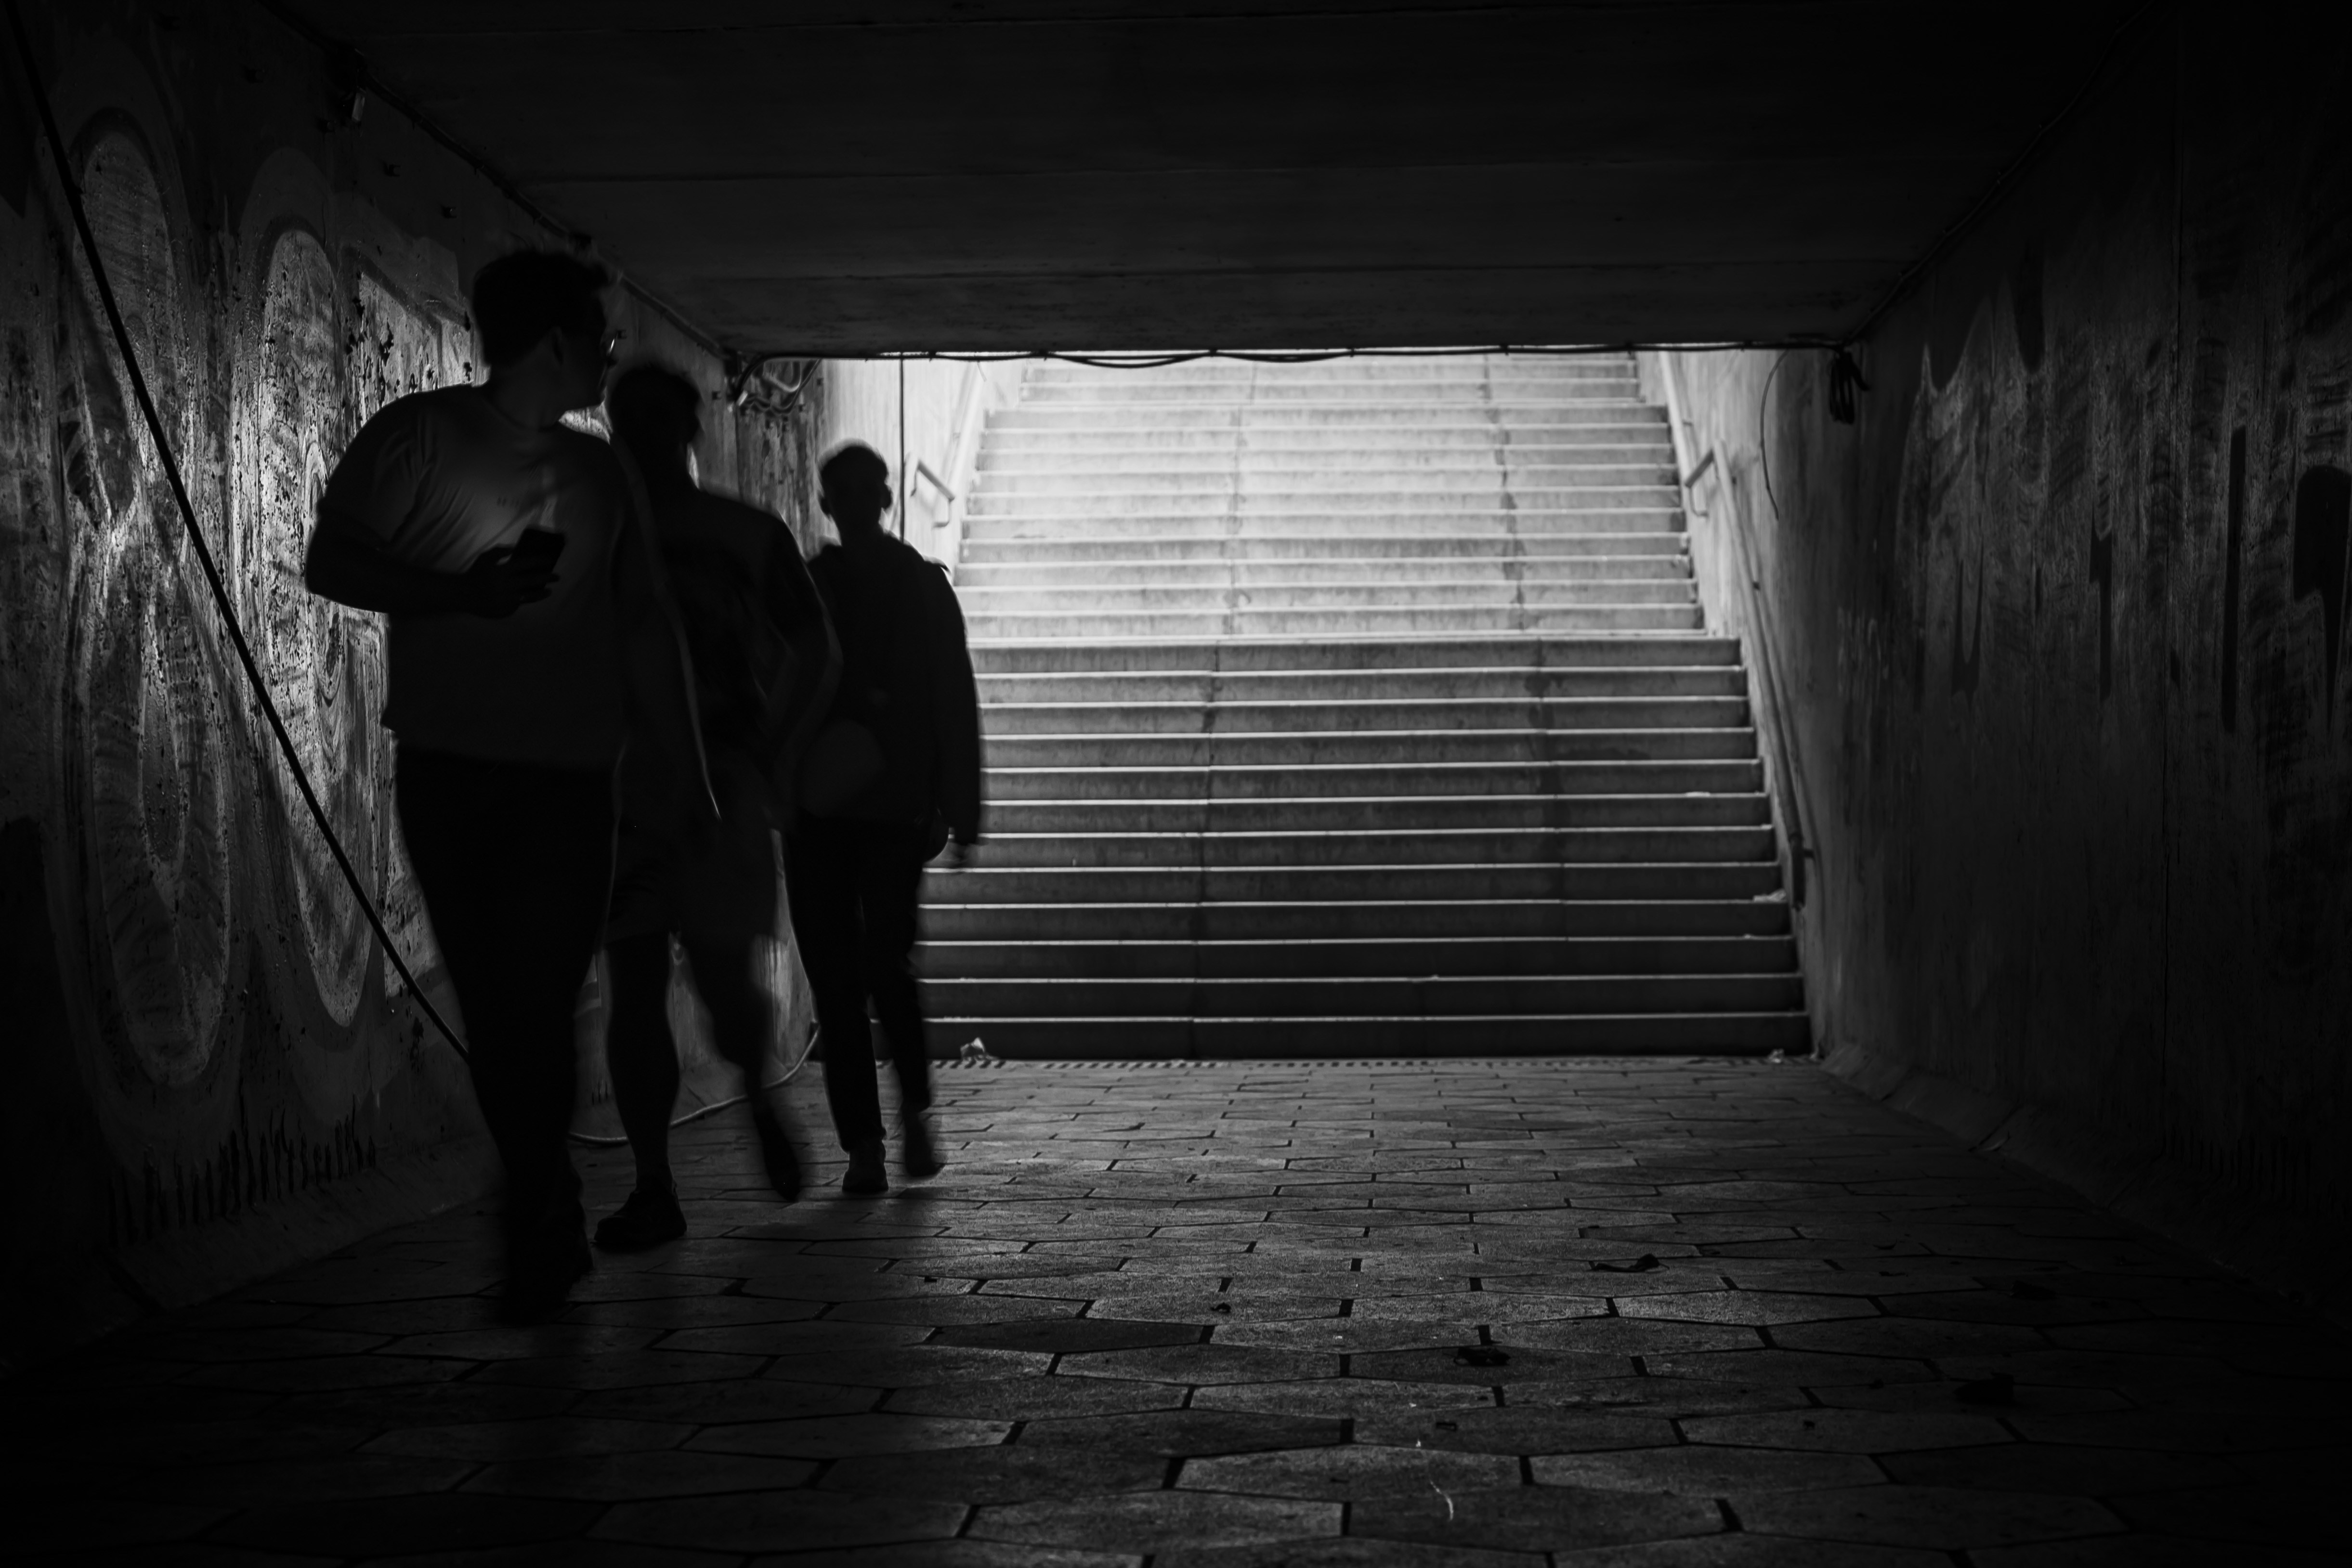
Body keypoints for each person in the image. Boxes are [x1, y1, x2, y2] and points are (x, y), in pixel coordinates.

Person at [304, 250, 708, 1322]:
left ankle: (539, 1209)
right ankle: (543, 1203)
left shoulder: (600, 474)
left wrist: (689, 774)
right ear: (554, 343)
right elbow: (330, 564)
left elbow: (645, 627)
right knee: (501, 1005)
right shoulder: (419, 438)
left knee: (538, 1000)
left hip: (574, 780)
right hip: (453, 771)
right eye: (603, 341)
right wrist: (458, 592)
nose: (611, 361)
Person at [593, 363, 839, 1250]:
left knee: (652, 980)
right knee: (687, 976)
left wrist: (772, 748)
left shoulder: (605, 533)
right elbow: (817, 648)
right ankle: (708, 1139)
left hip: (640, 783)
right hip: (695, 780)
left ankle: (673, 1169)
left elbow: (815, 646)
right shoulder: (742, 532)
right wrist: (776, 743)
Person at [790, 442, 981, 1194]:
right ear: (887, 499)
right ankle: (911, 1121)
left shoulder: (810, 588)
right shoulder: (921, 587)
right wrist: (960, 811)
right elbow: (951, 705)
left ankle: (867, 1145)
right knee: (885, 971)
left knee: (840, 981)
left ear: (829, 503)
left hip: (824, 810)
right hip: (890, 809)